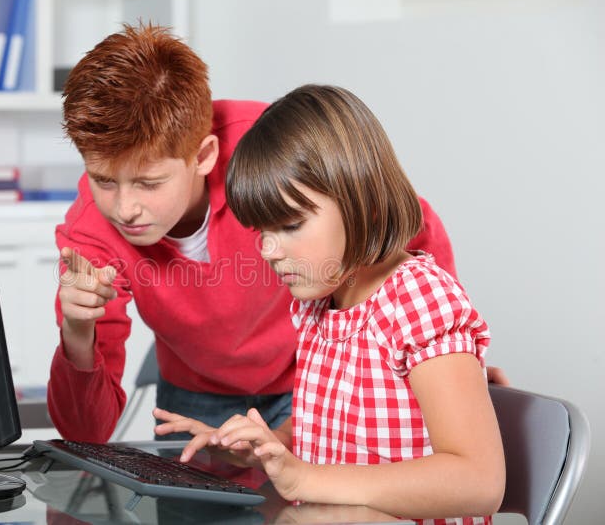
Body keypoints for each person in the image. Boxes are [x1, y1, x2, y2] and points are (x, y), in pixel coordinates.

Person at [48, 23, 464, 443]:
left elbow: (402, 221)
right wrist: (77, 335)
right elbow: (86, 433)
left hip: (310, 374)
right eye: (103, 180)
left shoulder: (267, 148)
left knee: (318, 505)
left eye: (149, 183)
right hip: (193, 396)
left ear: (205, 155)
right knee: (194, 503)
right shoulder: (89, 234)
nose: (124, 209)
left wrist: (448, 360)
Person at [154, 85, 505, 523]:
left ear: (366, 203)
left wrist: (304, 480)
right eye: (262, 231)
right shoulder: (320, 309)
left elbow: (478, 482)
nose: (268, 250)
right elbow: (332, 442)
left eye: (291, 224)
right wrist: (268, 449)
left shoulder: (419, 301)